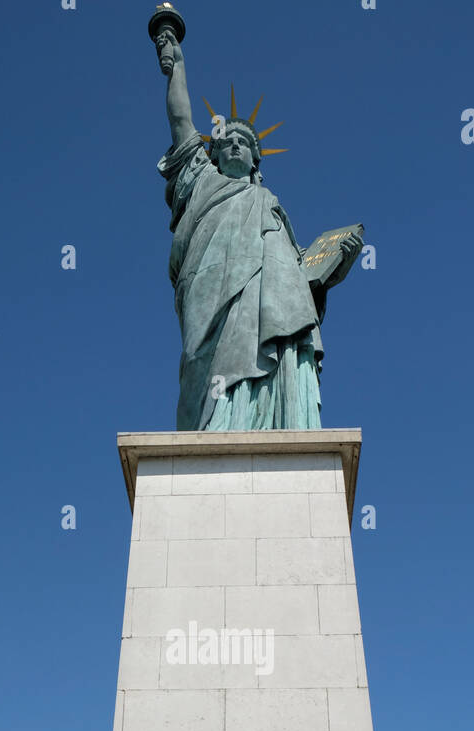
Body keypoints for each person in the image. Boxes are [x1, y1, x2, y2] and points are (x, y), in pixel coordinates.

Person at [152, 20, 363, 431]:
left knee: (278, 338)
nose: (233, 143)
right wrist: (177, 65)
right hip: (207, 292)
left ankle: (266, 423)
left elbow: (297, 279)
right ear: (212, 156)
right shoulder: (201, 180)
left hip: (269, 310)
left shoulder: (271, 206)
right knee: (200, 359)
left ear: (255, 161)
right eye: (225, 139)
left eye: (244, 142)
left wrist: (332, 269)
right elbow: (181, 122)